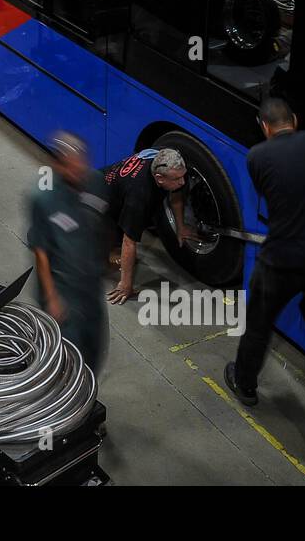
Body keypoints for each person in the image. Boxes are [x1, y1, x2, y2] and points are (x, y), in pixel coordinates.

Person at [224, 97, 305, 451]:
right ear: (294, 118)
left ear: (264, 127)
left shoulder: (256, 157)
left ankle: (245, 384)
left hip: (280, 260)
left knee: (259, 323)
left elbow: (276, 197)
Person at [27, 133, 110, 374]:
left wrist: (107, 259)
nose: (78, 172)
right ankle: (66, 399)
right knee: (68, 353)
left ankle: (89, 389)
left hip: (90, 285)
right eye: (71, 167)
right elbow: (40, 251)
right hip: (63, 288)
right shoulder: (44, 198)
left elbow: (103, 223)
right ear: (57, 165)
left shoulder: (96, 182)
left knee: (94, 345)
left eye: (81, 164)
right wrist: (52, 296)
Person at [104, 146, 191, 305]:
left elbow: (177, 195)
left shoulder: (170, 160)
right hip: (102, 199)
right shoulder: (139, 195)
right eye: (177, 179)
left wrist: (181, 227)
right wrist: (126, 285)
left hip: (122, 189)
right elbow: (129, 242)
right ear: (159, 178)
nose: (183, 181)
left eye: (183, 176)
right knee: (105, 248)